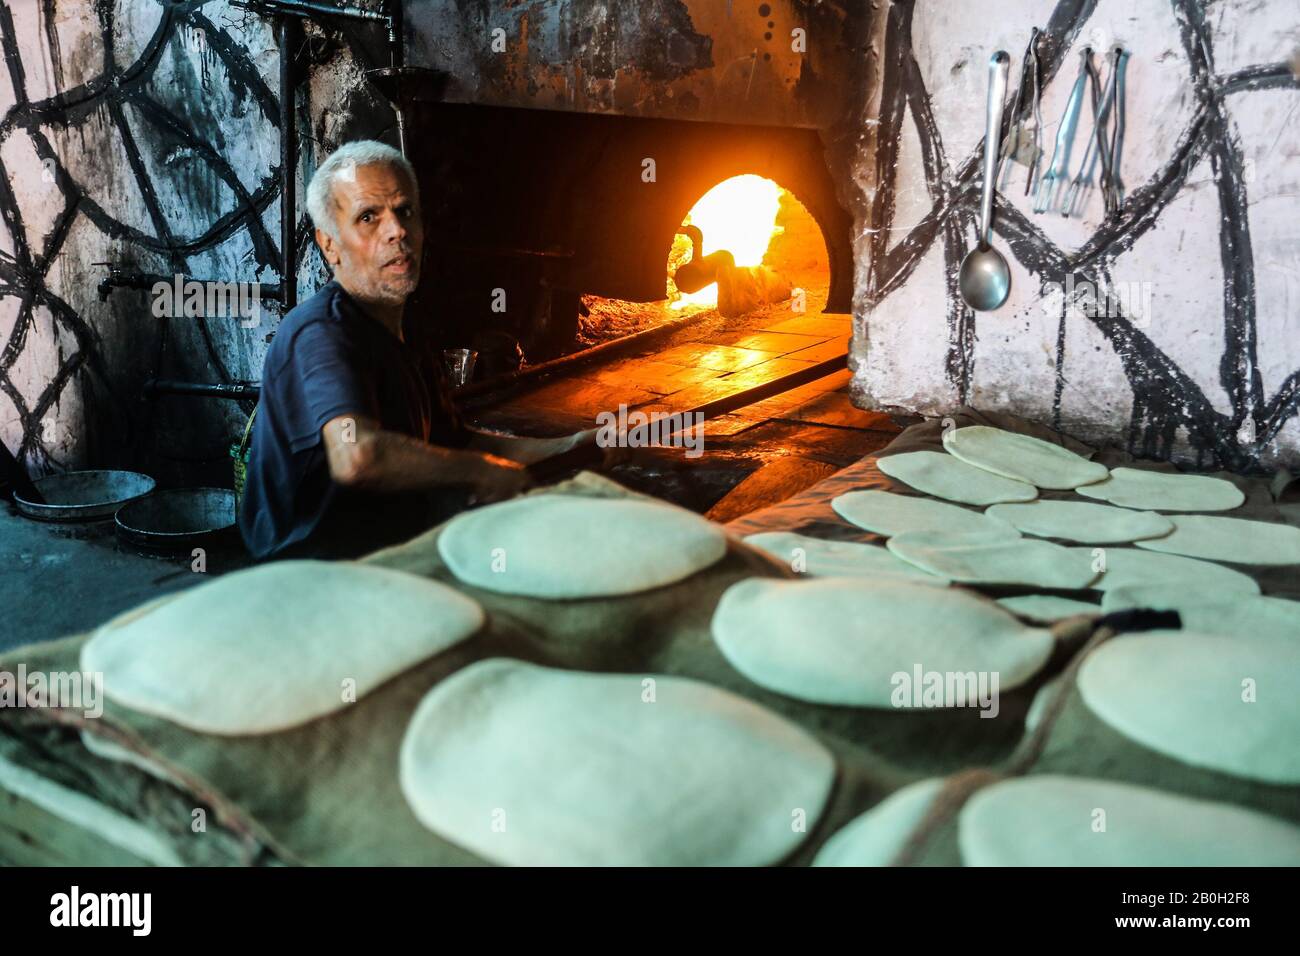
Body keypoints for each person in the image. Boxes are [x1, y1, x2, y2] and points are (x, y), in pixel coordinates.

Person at [238, 140, 587, 560]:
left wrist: (576, 445)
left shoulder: (406, 327)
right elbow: (358, 456)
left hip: (389, 553)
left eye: (405, 212)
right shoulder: (322, 333)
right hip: (313, 576)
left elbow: (460, 445)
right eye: (368, 217)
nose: (397, 231)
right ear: (329, 244)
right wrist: (481, 474)